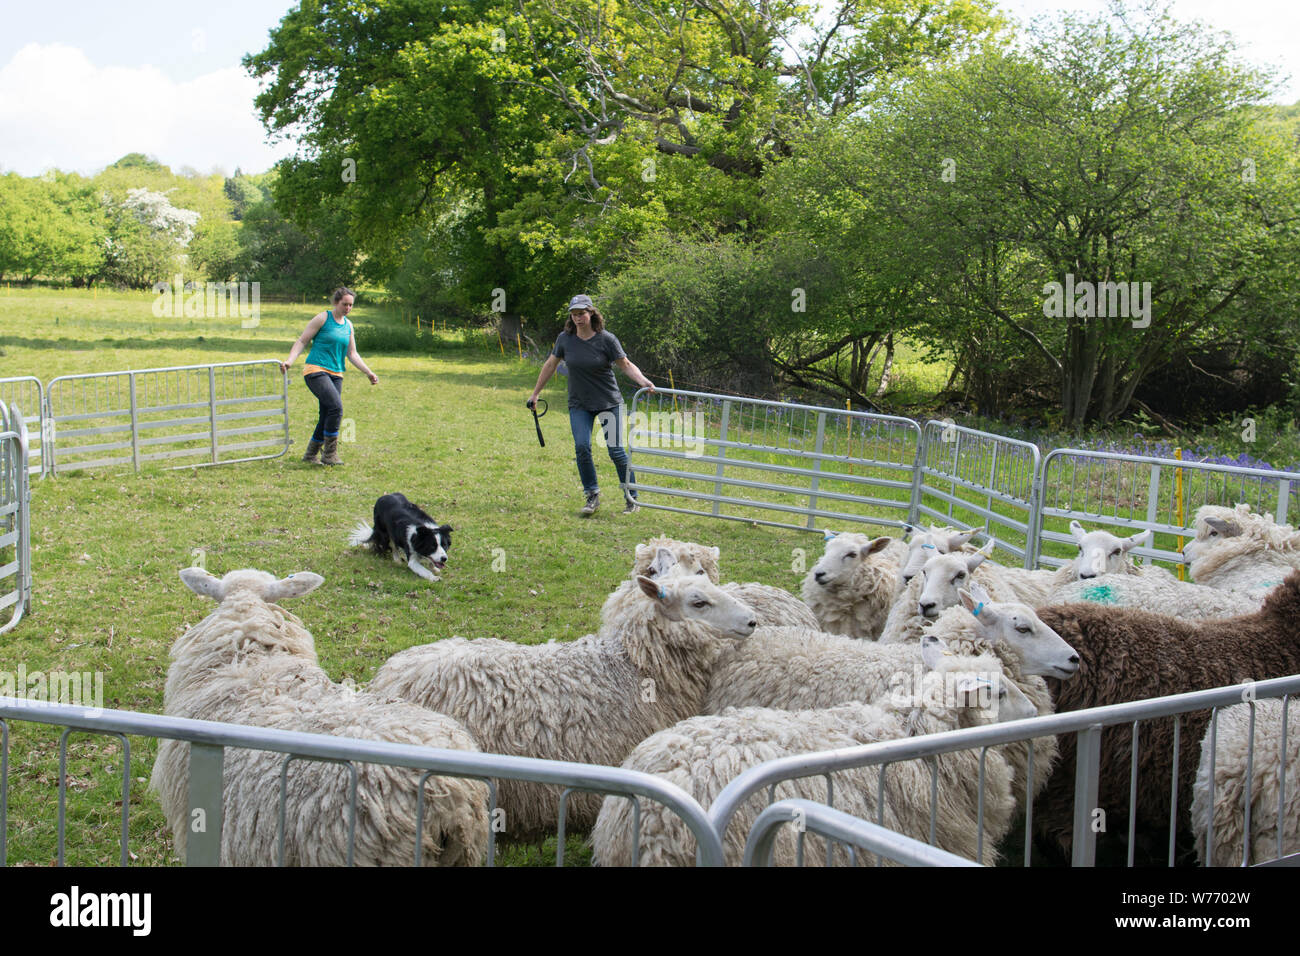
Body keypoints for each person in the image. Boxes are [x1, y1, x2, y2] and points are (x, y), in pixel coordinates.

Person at [528, 294, 655, 515]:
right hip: (579, 404)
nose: (578, 318)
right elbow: (550, 365)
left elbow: (625, 364)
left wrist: (643, 381)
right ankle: (592, 496)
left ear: (591, 313)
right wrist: (535, 393)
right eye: (574, 314)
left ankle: (631, 497)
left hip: (608, 402)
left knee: (616, 451)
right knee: (582, 447)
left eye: (582, 314)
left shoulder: (607, 339)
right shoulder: (564, 339)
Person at [279, 287, 378, 465]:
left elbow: (352, 353)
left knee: (326, 413)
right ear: (336, 302)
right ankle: (330, 454)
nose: (348, 308)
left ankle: (310, 455)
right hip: (315, 370)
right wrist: (289, 361)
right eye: (344, 304)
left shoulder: (348, 325)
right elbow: (302, 340)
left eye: (351, 305)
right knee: (336, 408)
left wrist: (368, 372)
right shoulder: (323, 318)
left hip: (336, 373)